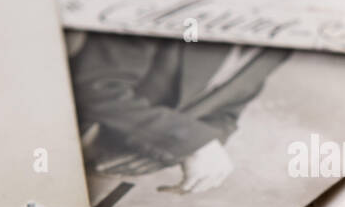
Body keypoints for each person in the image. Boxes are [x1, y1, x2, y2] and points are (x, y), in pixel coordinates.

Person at [70, 31, 288, 195]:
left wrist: (177, 147)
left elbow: (226, 112)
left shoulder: (282, 42)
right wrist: (190, 142)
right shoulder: (162, 4)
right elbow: (95, 89)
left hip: (107, 174)